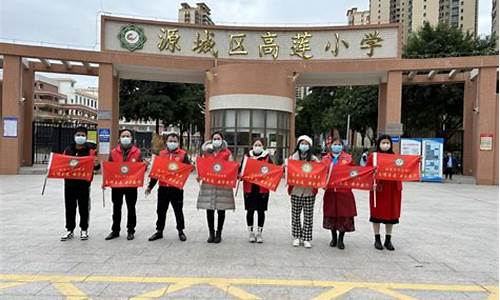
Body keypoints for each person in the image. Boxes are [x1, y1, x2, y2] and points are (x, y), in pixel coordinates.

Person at [146, 132, 190, 242]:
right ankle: (159, 231)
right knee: (160, 210)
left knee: (178, 210)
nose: (172, 143)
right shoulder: (161, 154)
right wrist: (150, 186)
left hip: (176, 188)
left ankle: (180, 230)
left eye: (174, 141)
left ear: (178, 143)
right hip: (163, 188)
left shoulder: (183, 155)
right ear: (166, 142)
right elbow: (157, 172)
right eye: (170, 141)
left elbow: (187, 169)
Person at [60, 126, 100, 241]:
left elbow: (96, 168)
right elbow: (63, 164)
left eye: (82, 135)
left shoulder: (90, 151)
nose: (80, 137)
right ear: (74, 136)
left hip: (83, 184)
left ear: (86, 137)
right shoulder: (68, 150)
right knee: (69, 207)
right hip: (69, 183)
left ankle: (84, 229)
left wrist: (96, 163)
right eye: (78, 135)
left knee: (83, 207)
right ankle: (69, 229)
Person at [197, 131, 235, 244]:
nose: (216, 140)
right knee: (209, 209)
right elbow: (201, 165)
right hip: (209, 184)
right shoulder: (206, 152)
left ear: (222, 140)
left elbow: (231, 166)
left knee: (221, 210)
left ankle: (219, 233)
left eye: (218, 138)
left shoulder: (227, 153)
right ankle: (211, 233)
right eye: (214, 138)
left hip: (223, 185)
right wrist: (200, 176)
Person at [105, 129, 143, 241]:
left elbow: (140, 168)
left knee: (131, 208)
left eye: (128, 136)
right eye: (123, 136)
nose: (125, 138)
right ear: (119, 138)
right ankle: (115, 230)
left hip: (131, 185)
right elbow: (109, 168)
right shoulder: (113, 152)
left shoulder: (137, 152)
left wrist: (144, 166)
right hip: (117, 186)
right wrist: (105, 181)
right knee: (116, 208)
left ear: (131, 138)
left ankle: (131, 230)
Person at [367, 135, 402, 251]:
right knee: (376, 214)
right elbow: (367, 171)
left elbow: (404, 167)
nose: (386, 145)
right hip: (378, 189)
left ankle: (388, 239)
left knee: (391, 215)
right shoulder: (374, 156)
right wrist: (372, 181)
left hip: (392, 189)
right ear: (378, 144)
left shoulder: (395, 157)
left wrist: (416, 161)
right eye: (383, 142)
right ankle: (377, 239)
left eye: (388, 143)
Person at [321, 137, 357, 250]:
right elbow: (321, 173)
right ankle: (334, 237)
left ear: (342, 146)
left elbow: (354, 172)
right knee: (332, 214)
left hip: (344, 191)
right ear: (330, 146)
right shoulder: (325, 159)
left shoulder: (348, 158)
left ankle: (341, 239)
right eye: (335, 144)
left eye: (339, 144)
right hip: (330, 191)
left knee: (343, 215)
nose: (337, 146)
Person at [288, 135, 321, 249]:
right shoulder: (293, 158)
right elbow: (286, 171)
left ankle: (306, 238)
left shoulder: (314, 159)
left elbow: (320, 171)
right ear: (298, 145)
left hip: (309, 191)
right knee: (295, 214)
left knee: (308, 215)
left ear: (309, 146)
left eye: (306, 144)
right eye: (302, 143)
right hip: (296, 190)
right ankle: (296, 236)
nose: (304, 146)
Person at [241, 138, 272, 243]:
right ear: (252, 146)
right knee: (250, 211)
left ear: (263, 146)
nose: (257, 147)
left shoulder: (267, 157)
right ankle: (251, 232)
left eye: (259, 145)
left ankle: (259, 233)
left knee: (261, 211)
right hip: (249, 188)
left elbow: (272, 171)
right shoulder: (247, 157)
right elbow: (241, 171)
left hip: (262, 190)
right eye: (255, 145)